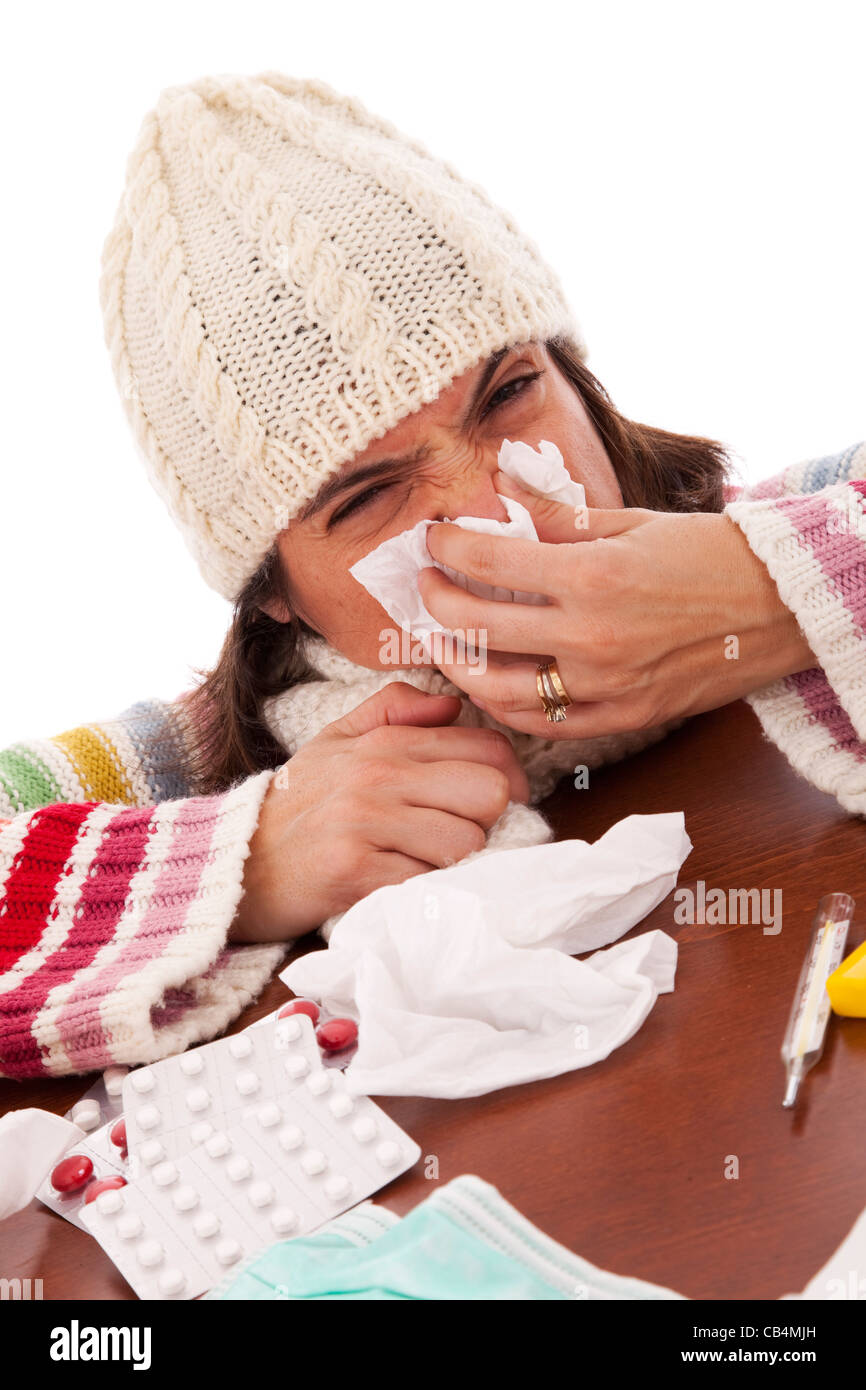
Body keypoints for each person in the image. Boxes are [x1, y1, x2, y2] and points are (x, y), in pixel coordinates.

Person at [1, 72, 863, 1080]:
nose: (493, 504)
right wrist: (248, 861)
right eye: (367, 495)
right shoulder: (220, 754)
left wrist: (771, 594)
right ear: (273, 591)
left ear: (575, 379)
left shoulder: (767, 530)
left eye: (507, 393)